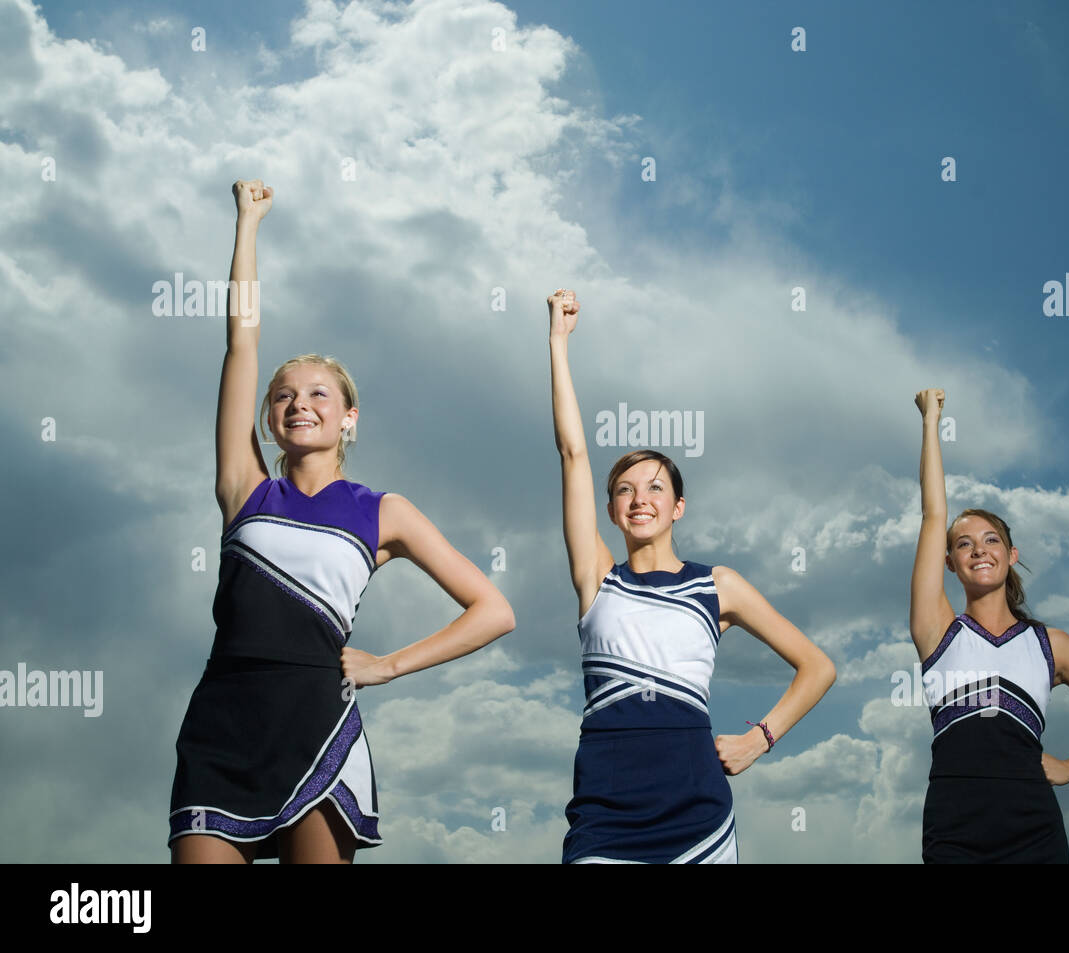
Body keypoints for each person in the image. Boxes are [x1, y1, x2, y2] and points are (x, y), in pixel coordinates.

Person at [168, 179, 516, 863]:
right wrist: (248, 223)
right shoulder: (245, 488)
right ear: (268, 415)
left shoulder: (381, 510)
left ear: (348, 417)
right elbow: (241, 341)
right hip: (223, 724)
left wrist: (389, 664)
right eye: (284, 395)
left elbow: (494, 610)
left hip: (318, 726)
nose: (301, 403)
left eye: (319, 394)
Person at [548, 288, 836, 863]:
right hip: (604, 808)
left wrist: (762, 737)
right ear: (610, 511)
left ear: (679, 507)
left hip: (696, 811)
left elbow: (817, 665)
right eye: (624, 490)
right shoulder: (597, 578)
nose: (639, 499)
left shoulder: (717, 586)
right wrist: (558, 342)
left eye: (656, 487)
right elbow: (573, 454)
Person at [909, 387, 1069, 863]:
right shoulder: (937, 631)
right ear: (949, 563)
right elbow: (933, 514)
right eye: (964, 544)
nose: (979, 549)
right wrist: (930, 422)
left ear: (1010, 555)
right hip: (953, 826)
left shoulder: (1051, 645)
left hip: (1033, 829)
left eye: (991, 539)